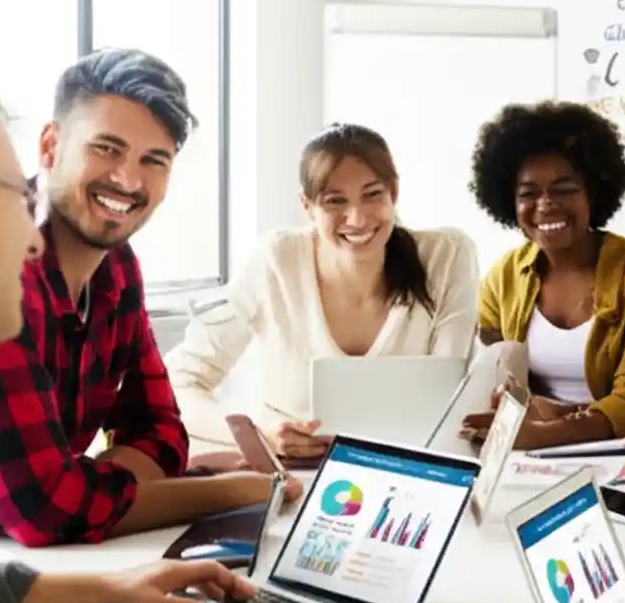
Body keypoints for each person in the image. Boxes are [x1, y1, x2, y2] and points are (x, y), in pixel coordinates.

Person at [0, 64, 256, 603]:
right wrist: (230, 491)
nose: (30, 237)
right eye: (13, 193)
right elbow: (41, 508)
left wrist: (114, 584)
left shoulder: (118, 270)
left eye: (155, 159)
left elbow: (161, 437)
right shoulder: (3, 289)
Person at [164, 123, 478, 458]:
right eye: (334, 201)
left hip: (409, 468)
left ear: (394, 192)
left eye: (373, 194)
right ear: (307, 206)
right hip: (295, 475)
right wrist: (260, 435)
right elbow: (178, 381)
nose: (357, 219)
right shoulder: (277, 260)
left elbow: (451, 395)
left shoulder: (446, 255)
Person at [464, 101, 625, 450]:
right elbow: (489, 377)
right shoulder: (503, 278)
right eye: (528, 193)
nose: (545, 204)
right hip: (529, 455)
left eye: (564, 189)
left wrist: (549, 431)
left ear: (593, 191)